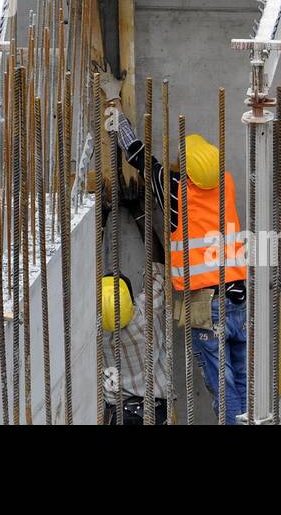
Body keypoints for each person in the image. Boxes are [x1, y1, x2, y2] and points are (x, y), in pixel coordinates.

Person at [102, 78, 248, 424]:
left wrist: (115, 111)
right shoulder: (224, 186)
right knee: (241, 381)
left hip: (206, 306)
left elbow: (138, 155)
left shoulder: (176, 193)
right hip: (239, 300)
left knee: (221, 384)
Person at [98, 206, 171, 424]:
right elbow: (159, 265)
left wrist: (100, 220)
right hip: (151, 413)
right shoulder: (144, 317)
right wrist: (141, 210)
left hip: (116, 416)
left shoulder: (93, 332)